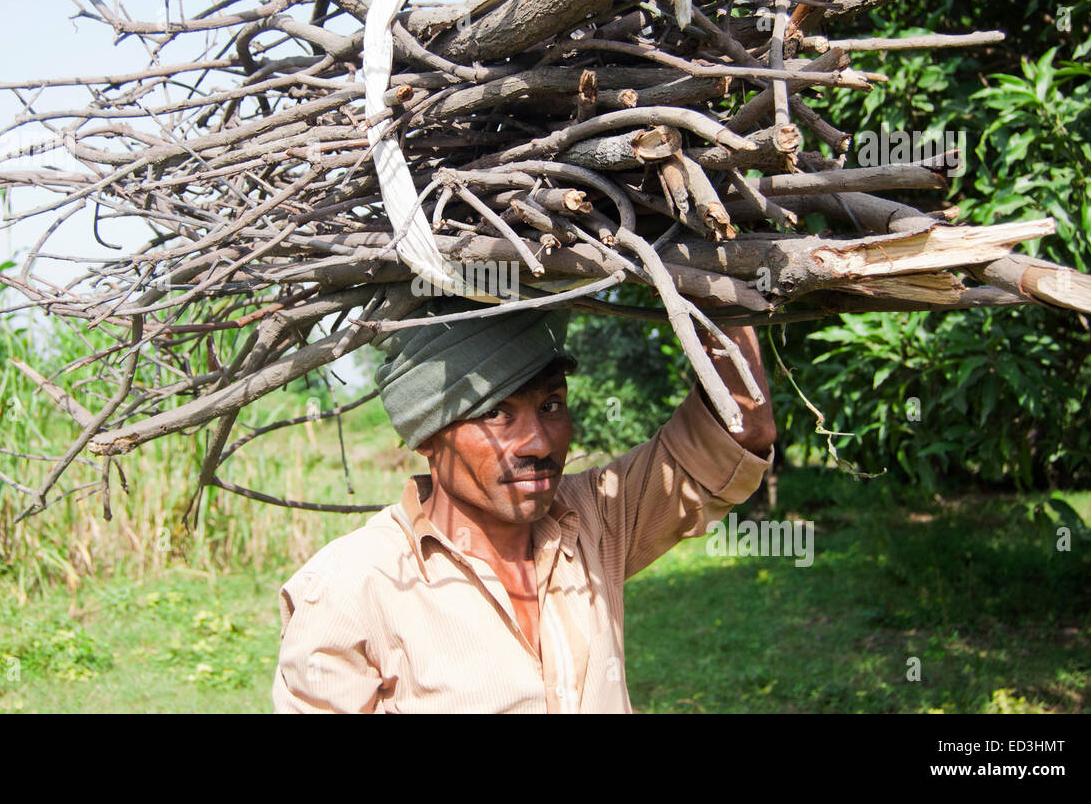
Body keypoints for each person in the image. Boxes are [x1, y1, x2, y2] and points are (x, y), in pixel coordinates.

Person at [271, 300, 775, 713]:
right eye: (495, 413)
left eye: (551, 405)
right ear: (427, 436)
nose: (537, 442)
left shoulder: (596, 519)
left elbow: (739, 428)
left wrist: (711, 273)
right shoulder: (347, 590)